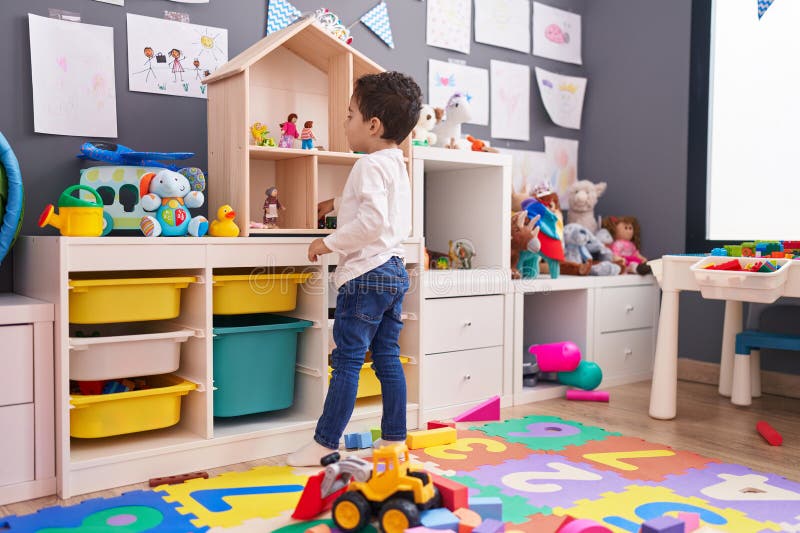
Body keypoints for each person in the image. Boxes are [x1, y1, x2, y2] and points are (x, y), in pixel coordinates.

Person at [287, 71, 421, 467]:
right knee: (387, 358)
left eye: (350, 115)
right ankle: (395, 440)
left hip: (365, 274)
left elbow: (370, 223)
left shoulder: (366, 165)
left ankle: (325, 442)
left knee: (346, 359)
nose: (346, 123)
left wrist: (326, 243)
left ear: (373, 125)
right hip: (395, 270)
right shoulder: (396, 163)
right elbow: (376, 208)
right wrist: (334, 202)